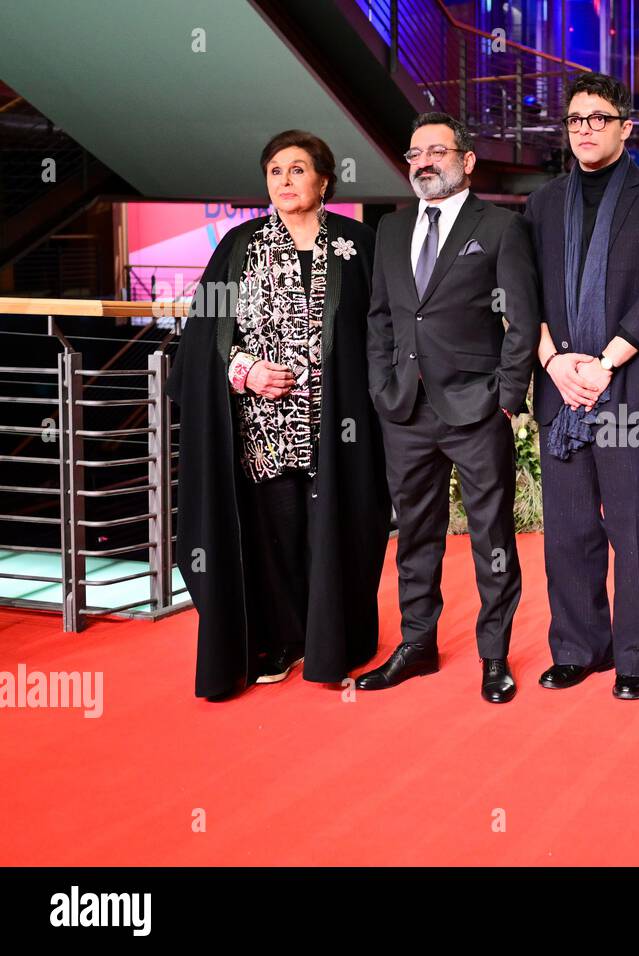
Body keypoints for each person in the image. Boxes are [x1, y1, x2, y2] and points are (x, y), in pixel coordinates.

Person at [167, 130, 391, 700]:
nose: (285, 181)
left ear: (323, 180)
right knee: (277, 534)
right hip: (262, 430)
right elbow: (201, 341)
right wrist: (246, 372)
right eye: (274, 171)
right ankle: (286, 640)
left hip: (345, 427)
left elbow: (387, 330)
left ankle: (339, 641)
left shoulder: (359, 244)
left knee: (344, 531)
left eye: (297, 170)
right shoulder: (238, 247)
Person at [361, 112, 541, 702]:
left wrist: (507, 400)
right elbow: (383, 317)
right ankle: (417, 645)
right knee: (415, 535)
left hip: (477, 409)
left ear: (467, 160)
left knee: (492, 537)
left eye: (436, 151)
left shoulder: (500, 227)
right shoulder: (390, 228)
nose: (423, 162)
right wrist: (381, 385)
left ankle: (495, 656)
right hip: (404, 410)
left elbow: (520, 321)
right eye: (414, 154)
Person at [522, 73, 639, 699]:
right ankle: (576, 647)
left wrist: (605, 364)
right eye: (575, 119)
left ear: (625, 126)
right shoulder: (541, 205)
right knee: (566, 530)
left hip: (627, 384)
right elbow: (524, 290)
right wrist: (556, 362)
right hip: (559, 383)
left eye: (598, 117)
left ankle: (637, 657)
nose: (585, 128)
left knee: (633, 526)